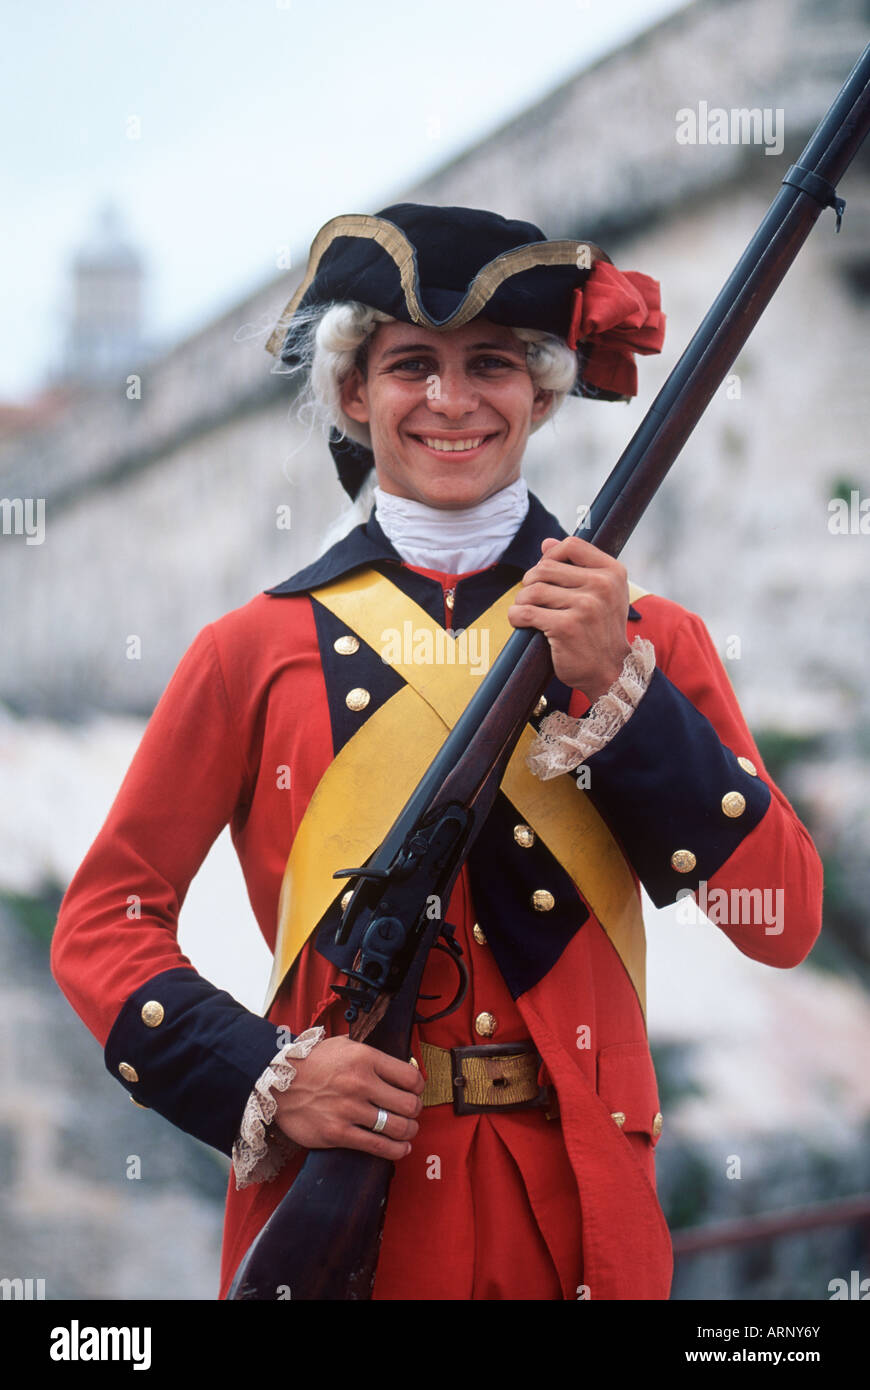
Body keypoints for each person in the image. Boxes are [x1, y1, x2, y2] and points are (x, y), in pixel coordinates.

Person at [51, 203, 823, 1301]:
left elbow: (784, 921)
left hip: (576, 1217)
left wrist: (623, 694)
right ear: (355, 395)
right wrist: (264, 1080)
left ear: (544, 392)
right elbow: (104, 923)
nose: (452, 400)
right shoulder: (248, 650)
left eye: (491, 365)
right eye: (412, 364)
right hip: (348, 1196)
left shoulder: (642, 639)